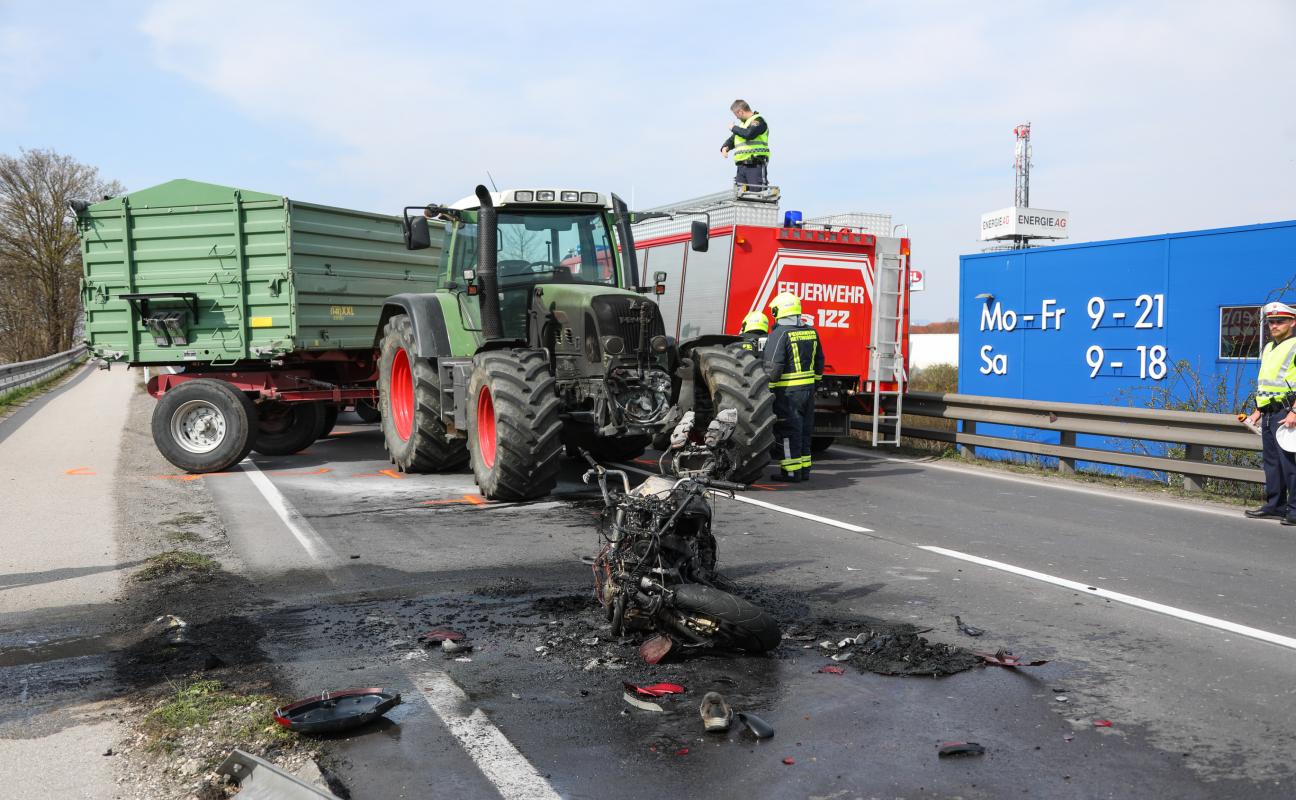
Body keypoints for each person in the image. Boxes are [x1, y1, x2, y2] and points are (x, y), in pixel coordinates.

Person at [762, 292, 823, 482]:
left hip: (787, 393)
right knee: (804, 430)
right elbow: (820, 362)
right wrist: (814, 384)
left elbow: (774, 366)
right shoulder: (812, 332)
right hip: (808, 391)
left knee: (788, 431)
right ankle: (804, 471)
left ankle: (791, 472)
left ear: (779, 311)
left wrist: (768, 390)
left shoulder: (780, 333)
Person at [1244, 301, 1296, 523]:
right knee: (1272, 463)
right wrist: (1257, 412)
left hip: (1287, 412)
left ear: (1292, 322)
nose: (1274, 325)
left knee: (1289, 464)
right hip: (1268, 414)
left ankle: (1294, 510)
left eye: (1280, 321)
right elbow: (1266, 385)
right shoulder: (1268, 348)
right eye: (1271, 322)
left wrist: (1294, 412)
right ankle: (1276, 505)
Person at [720, 100, 770, 190]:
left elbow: (749, 134)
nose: (736, 117)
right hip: (741, 168)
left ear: (740, 112)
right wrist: (725, 147)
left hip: (755, 166)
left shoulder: (758, 121)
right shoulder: (743, 125)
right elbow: (733, 139)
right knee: (741, 195)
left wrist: (733, 128)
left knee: (757, 195)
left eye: (736, 114)